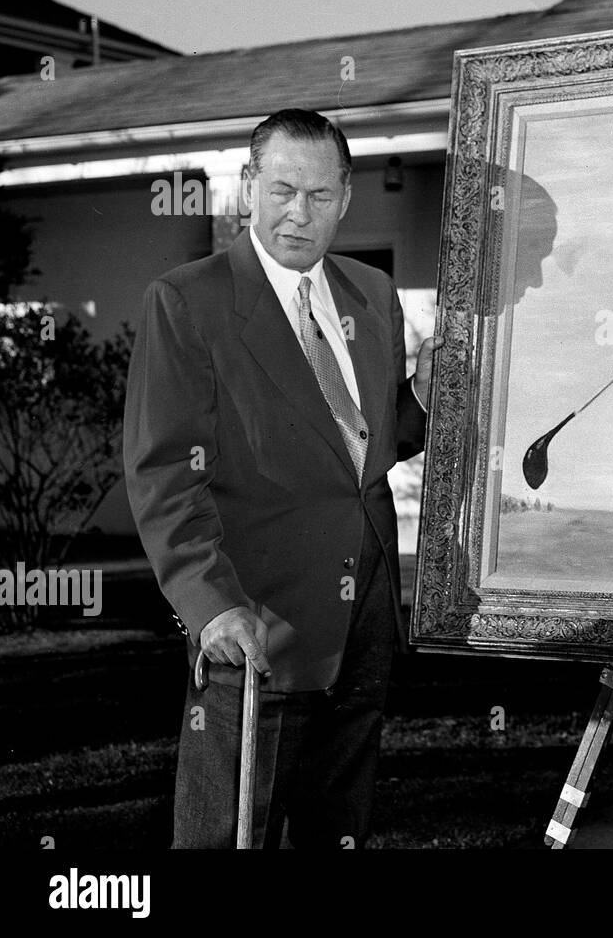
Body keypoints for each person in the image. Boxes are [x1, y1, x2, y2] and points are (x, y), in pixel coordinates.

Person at [123, 108, 441, 847]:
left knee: (339, 830)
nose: (300, 213)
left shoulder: (371, 293)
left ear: (347, 199)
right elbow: (163, 473)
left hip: (363, 621)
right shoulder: (186, 301)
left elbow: (366, 446)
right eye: (282, 190)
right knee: (230, 835)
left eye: (320, 195)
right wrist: (210, 607)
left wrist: (423, 395)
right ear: (248, 187)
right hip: (253, 623)